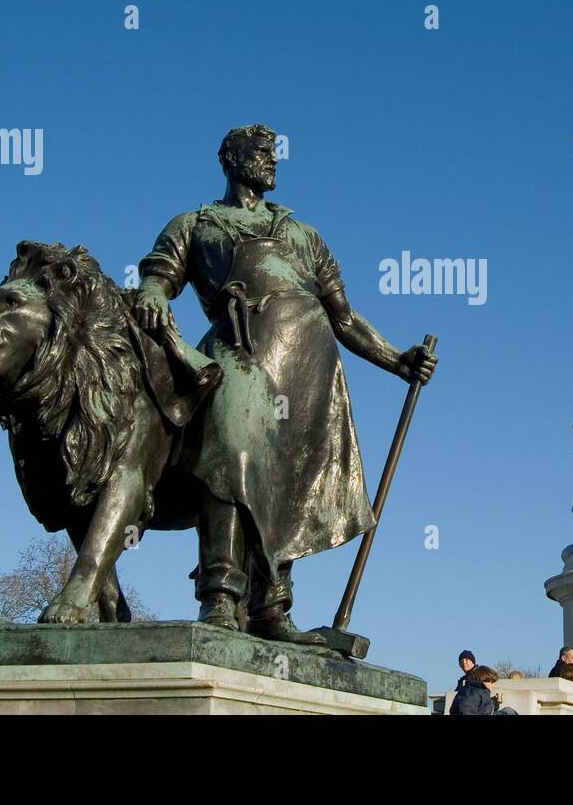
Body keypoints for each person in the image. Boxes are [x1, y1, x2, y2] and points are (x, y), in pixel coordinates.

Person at [135, 124, 437, 642]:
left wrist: (397, 359)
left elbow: (344, 318)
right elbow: (161, 277)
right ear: (230, 159)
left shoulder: (304, 235)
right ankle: (221, 598)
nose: (272, 163)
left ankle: (271, 609)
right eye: (260, 154)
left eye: (275, 155)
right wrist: (154, 293)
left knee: (291, 479)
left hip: (308, 367)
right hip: (241, 353)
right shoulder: (196, 224)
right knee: (228, 457)